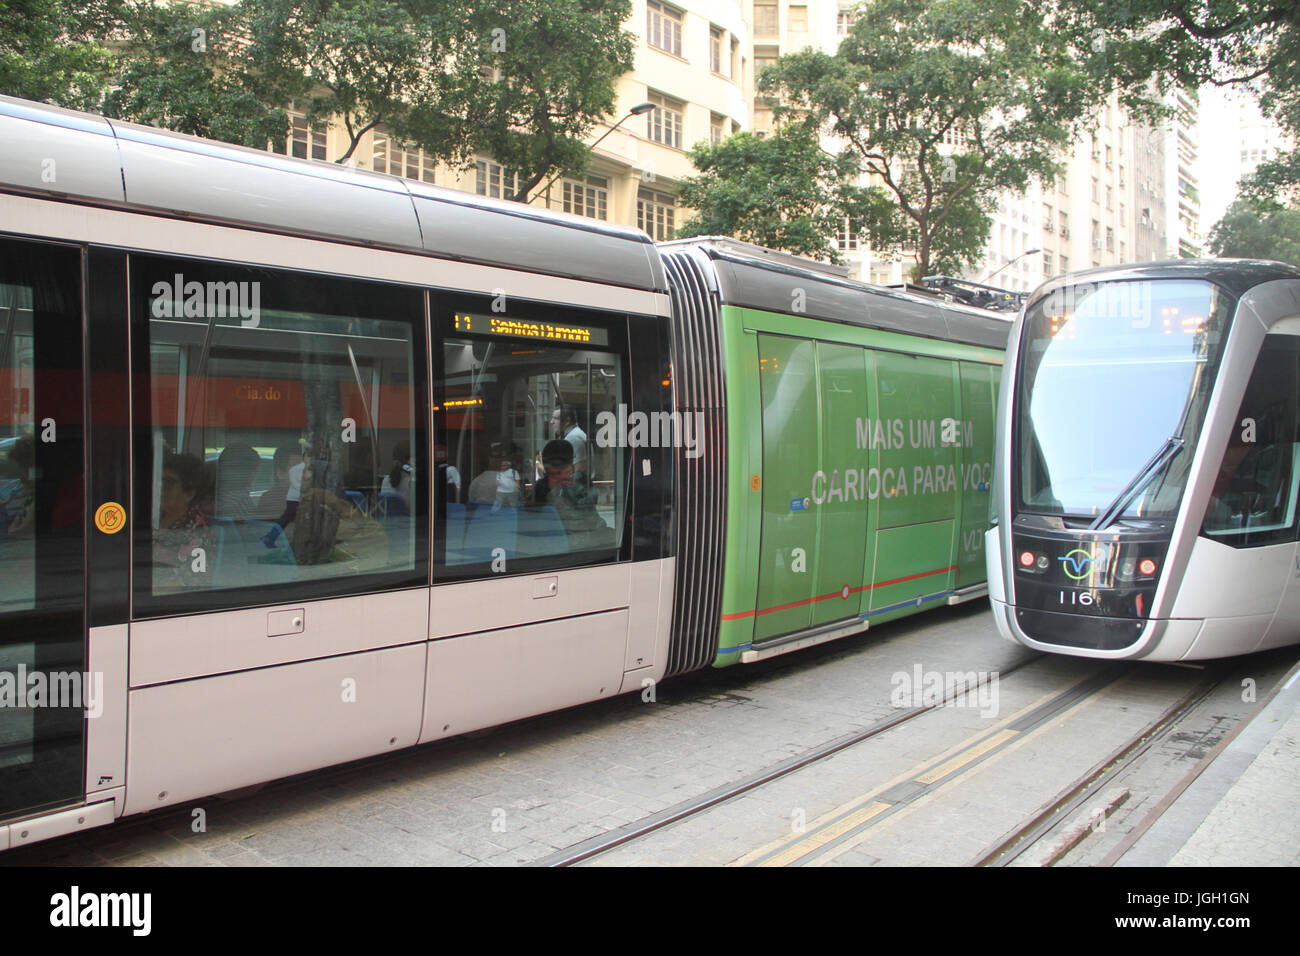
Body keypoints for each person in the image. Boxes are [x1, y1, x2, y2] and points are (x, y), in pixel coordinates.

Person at [532, 439, 610, 550]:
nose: (572, 467)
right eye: (570, 462)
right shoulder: (553, 494)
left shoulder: (568, 486)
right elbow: (588, 528)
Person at [153, 451, 214, 593]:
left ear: (189, 493)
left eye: (168, 484)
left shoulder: (197, 533)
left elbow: (193, 584)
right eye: (158, 481)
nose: (160, 488)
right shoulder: (156, 517)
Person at [550, 405, 588, 477]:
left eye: (555, 418)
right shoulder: (575, 434)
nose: (551, 422)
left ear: (567, 421)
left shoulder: (573, 438)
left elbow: (579, 469)